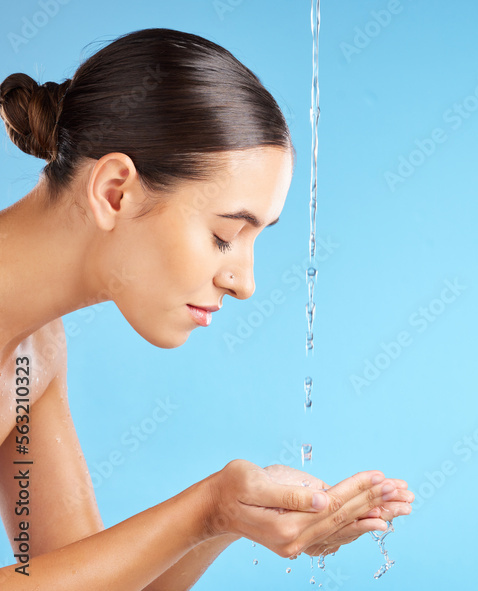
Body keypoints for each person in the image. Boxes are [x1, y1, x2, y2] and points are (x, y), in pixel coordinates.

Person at [0, 28, 413, 588]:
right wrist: (205, 509)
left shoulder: (34, 348)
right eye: (224, 236)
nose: (245, 282)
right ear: (115, 192)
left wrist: (232, 518)